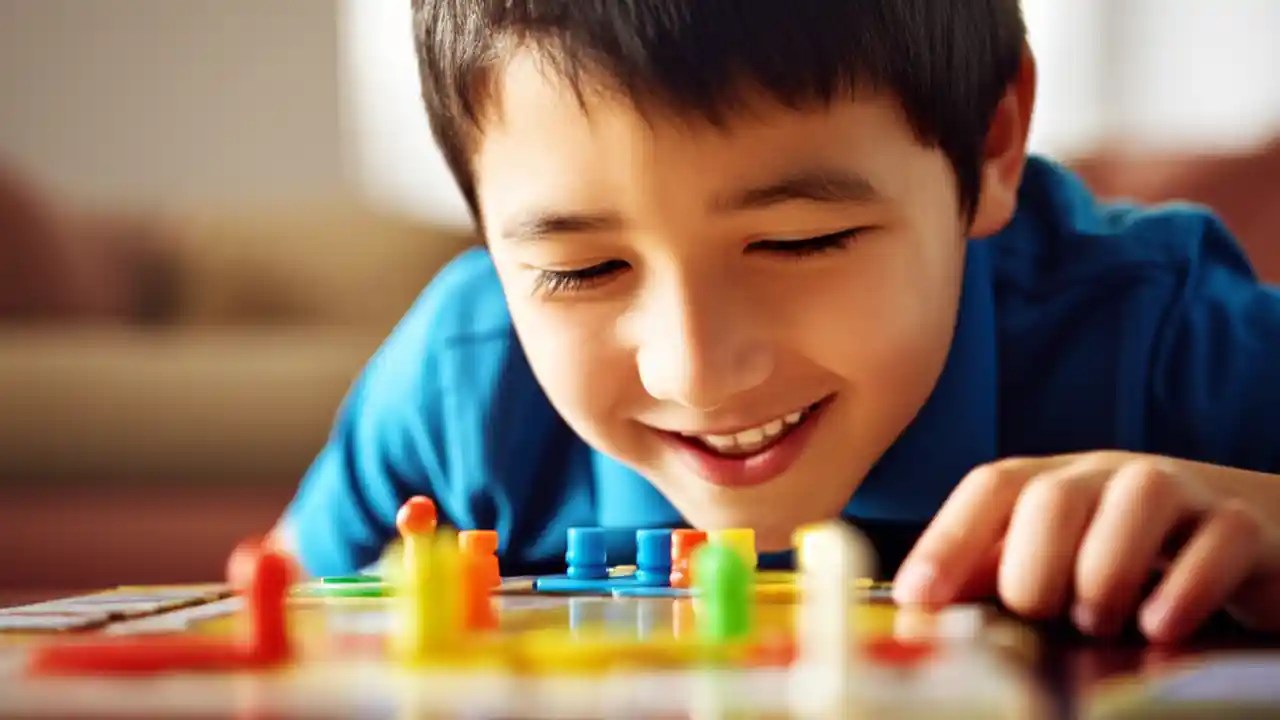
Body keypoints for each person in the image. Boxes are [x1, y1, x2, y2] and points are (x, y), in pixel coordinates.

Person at [277, 0, 1280, 643]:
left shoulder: (1163, 332)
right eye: (578, 270)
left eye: (800, 243)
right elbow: (262, 623)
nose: (696, 373)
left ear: (988, 145)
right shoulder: (457, 383)